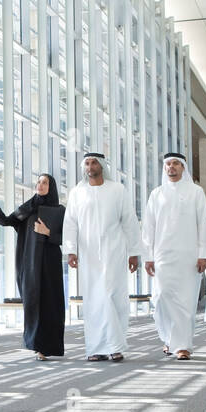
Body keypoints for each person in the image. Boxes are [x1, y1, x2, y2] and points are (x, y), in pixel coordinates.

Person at [63, 152, 142, 361]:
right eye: (87, 163)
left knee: (112, 295)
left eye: (94, 162)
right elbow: (71, 223)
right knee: (94, 299)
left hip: (114, 251)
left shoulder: (117, 190)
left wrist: (134, 253)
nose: (90, 166)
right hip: (88, 255)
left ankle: (115, 345)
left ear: (102, 166)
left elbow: (129, 221)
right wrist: (71, 250)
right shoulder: (77, 192)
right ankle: (96, 348)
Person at [0, 175, 65, 360]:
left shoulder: (59, 211)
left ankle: (47, 347)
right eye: (38, 182)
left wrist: (48, 233)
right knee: (33, 303)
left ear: (51, 187)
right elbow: (4, 221)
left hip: (50, 264)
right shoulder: (27, 208)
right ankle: (36, 344)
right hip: (30, 264)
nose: (40, 185)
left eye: (45, 182)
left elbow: (66, 238)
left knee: (50, 303)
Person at [141, 152, 206, 360]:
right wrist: (148, 256)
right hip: (162, 255)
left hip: (189, 256)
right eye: (168, 164)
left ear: (183, 167)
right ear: (164, 168)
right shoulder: (156, 194)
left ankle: (183, 346)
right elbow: (149, 227)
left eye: (175, 164)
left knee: (186, 301)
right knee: (162, 297)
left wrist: (204, 254)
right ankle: (168, 338)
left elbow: (203, 224)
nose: (171, 167)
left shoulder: (196, 192)